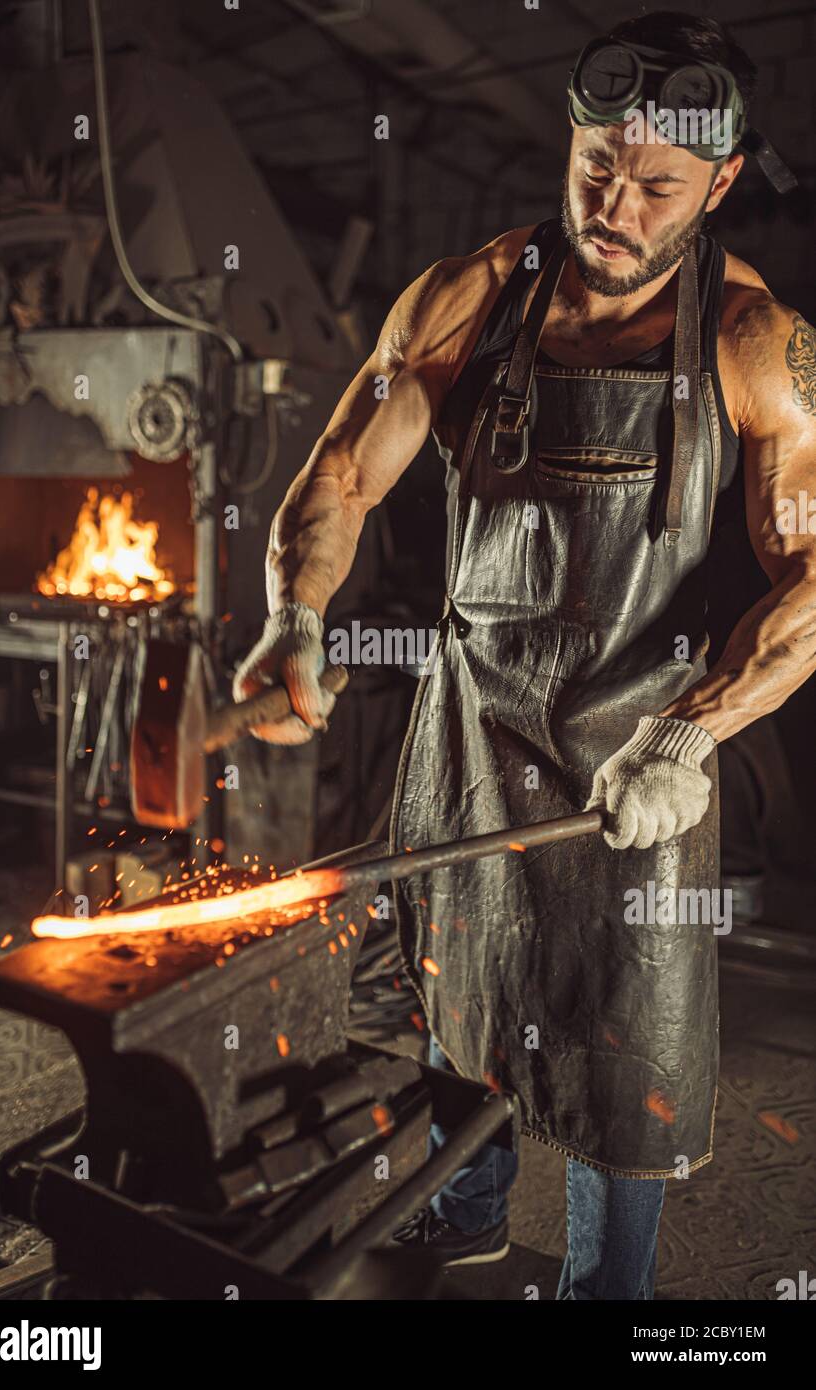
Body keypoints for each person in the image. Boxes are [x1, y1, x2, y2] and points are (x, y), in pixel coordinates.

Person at [234, 13, 814, 1299]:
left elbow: (812, 582)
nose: (613, 206)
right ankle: (468, 1212)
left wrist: (688, 738)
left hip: (638, 750)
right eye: (594, 167)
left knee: (628, 1042)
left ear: (716, 186)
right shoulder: (470, 296)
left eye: (656, 186)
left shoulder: (750, 344)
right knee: (456, 991)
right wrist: (297, 611)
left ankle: (608, 1290)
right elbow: (340, 472)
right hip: (470, 720)